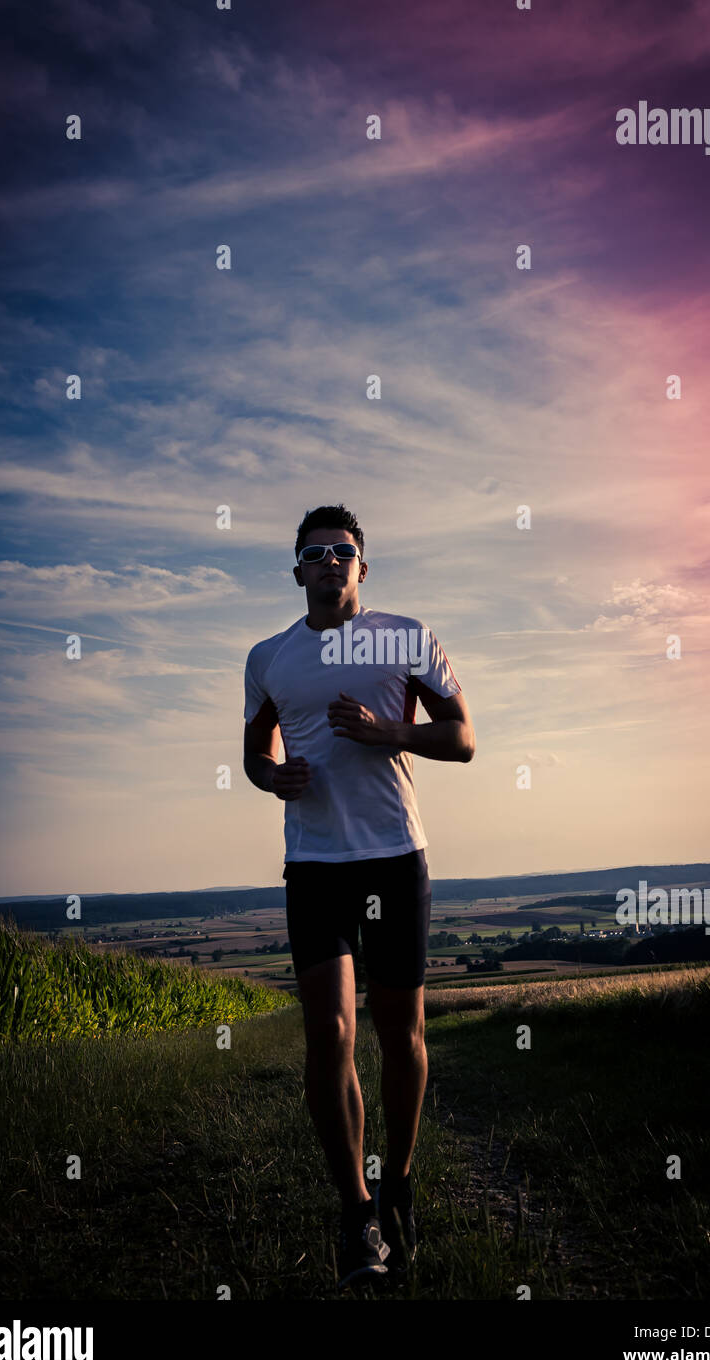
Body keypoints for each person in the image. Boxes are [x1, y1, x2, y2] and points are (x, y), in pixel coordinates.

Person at [243, 504, 475, 1289]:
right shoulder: (269, 658)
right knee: (330, 1033)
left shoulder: (406, 638)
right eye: (316, 553)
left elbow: (465, 739)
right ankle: (358, 1215)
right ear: (298, 570)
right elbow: (253, 756)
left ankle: (399, 1179)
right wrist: (272, 777)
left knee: (399, 1031)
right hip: (314, 863)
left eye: (345, 552)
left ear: (362, 569)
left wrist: (391, 733)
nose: (331, 562)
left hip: (393, 856)